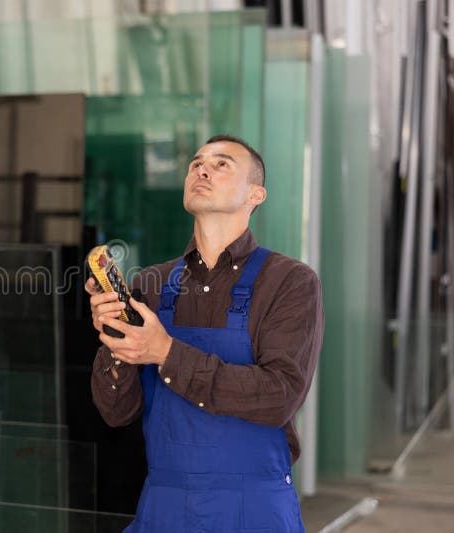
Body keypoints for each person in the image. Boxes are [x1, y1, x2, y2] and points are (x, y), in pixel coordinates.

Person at [86, 135, 323, 532]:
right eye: (196, 162)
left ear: (256, 194)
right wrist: (115, 341)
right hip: (164, 505)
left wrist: (164, 352)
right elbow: (116, 411)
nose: (202, 168)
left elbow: (278, 396)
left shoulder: (289, 282)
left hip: (254, 510)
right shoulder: (151, 283)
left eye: (222, 163)